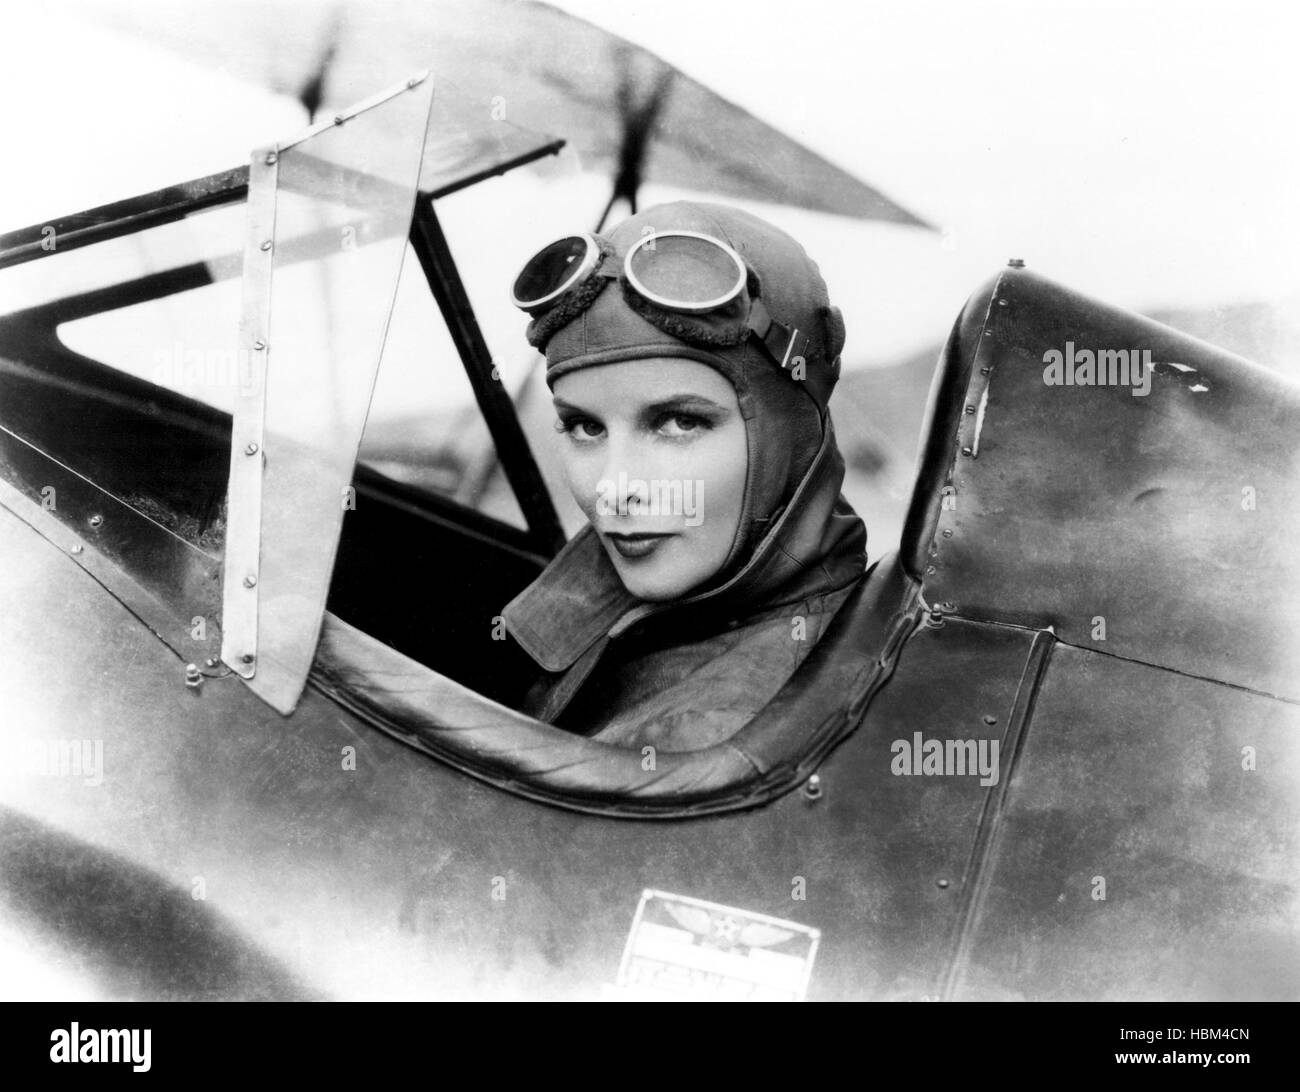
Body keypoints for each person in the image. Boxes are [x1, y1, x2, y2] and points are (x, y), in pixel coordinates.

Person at [500, 201, 867, 752]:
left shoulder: (705, 737)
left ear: (788, 431)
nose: (614, 489)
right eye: (584, 427)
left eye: (679, 422)